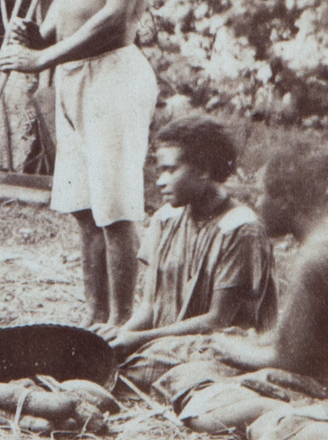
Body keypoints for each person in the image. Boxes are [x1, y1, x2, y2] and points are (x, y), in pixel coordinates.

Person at [0, 0, 159, 327]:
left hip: (113, 73)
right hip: (72, 73)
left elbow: (115, 16)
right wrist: (39, 32)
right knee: (85, 206)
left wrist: (43, 56)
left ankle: (121, 322)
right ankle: (94, 318)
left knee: (115, 207)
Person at [211, 145, 328, 397]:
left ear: (284, 200)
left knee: (212, 391)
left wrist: (228, 348)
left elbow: (288, 359)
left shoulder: (314, 256)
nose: (257, 203)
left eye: (261, 193)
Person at [104, 116, 277, 357]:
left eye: (171, 170)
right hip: (164, 344)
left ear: (204, 169)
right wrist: (119, 337)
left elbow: (217, 320)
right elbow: (150, 307)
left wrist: (139, 340)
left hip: (221, 351)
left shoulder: (241, 228)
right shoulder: (165, 219)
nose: (160, 181)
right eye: (160, 171)